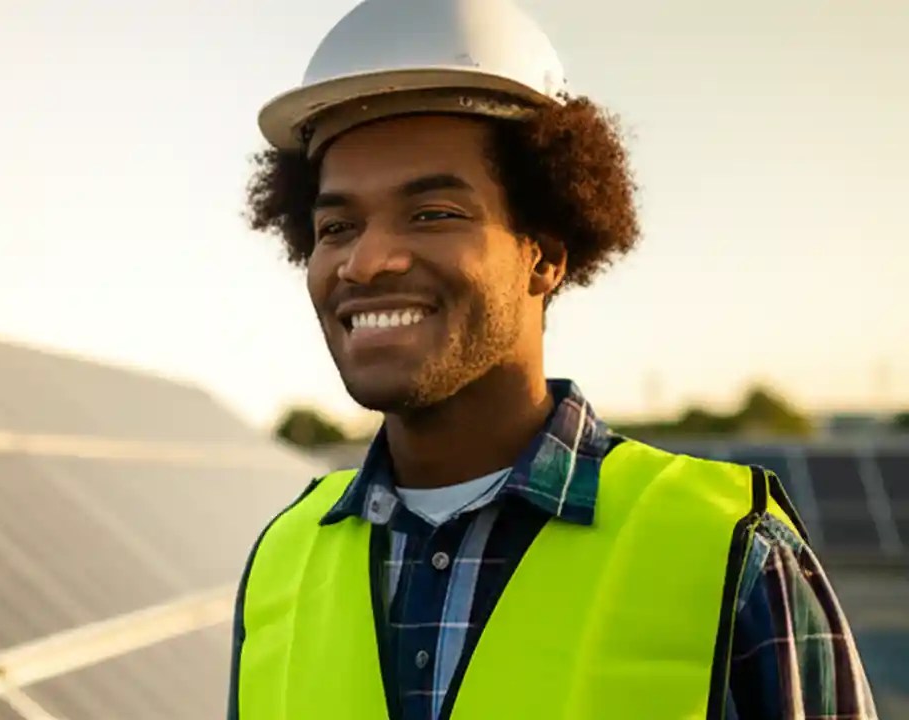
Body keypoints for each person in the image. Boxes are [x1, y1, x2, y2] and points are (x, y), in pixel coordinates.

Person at [227, 0, 879, 718]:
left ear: (545, 256)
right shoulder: (277, 568)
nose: (366, 261)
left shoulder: (736, 555)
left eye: (434, 214)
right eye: (336, 226)